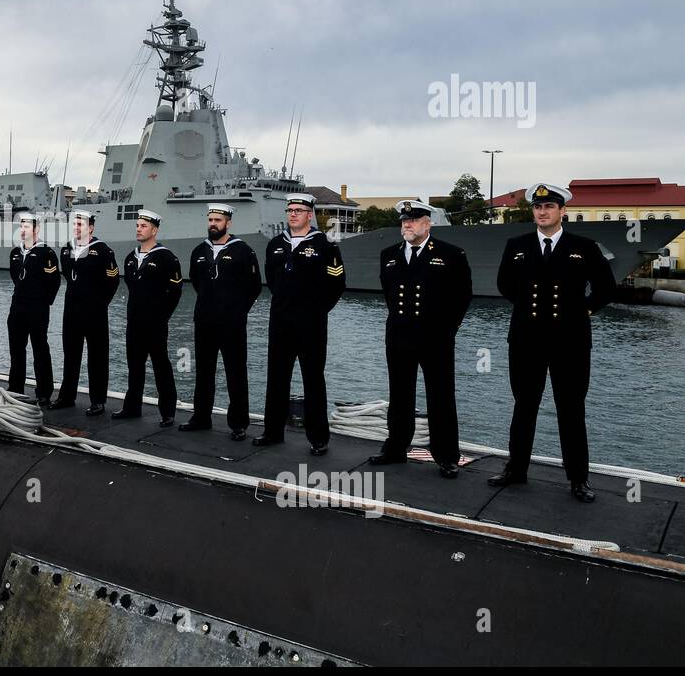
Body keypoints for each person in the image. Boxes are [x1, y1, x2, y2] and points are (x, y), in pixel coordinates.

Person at [489, 183, 616, 502]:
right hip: (526, 339)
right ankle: (516, 470)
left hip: (569, 341)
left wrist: (583, 310)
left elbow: (605, 288)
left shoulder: (584, 247)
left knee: (571, 410)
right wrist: (529, 309)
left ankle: (578, 479)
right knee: (524, 406)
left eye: (549, 207)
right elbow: (505, 284)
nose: (542, 212)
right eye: (537, 207)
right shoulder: (516, 245)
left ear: (562, 211)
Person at [367, 200, 473, 478]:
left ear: (428, 223)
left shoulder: (450, 254)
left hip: (435, 338)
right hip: (399, 336)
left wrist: (448, 329)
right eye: (404, 221)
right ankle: (395, 449)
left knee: (441, 397)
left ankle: (447, 455)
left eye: (413, 220)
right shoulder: (389, 254)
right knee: (400, 395)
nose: (407, 225)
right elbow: (388, 292)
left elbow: (462, 296)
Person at [258, 193, 345, 455]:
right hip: (280, 322)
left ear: (310, 214)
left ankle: (318, 438)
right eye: (290, 210)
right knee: (276, 379)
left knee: (313, 380)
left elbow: (336, 284)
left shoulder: (326, 245)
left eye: (298, 210)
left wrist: (315, 311)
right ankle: (272, 432)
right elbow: (272, 280)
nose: (292, 214)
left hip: (311, 325)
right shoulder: (275, 244)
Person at [180, 203, 263, 440]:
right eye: (210, 220)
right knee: (204, 372)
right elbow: (196, 281)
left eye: (218, 220)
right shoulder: (199, 251)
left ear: (228, 222)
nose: (213, 224)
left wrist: (237, 310)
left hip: (232, 323)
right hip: (204, 320)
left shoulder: (243, 251)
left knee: (235, 372)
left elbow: (254, 287)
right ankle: (201, 417)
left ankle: (238, 424)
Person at [113, 210, 183, 427]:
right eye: (137, 225)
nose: (138, 229)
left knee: (161, 366)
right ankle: (132, 407)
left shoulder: (166, 258)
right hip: (134, 322)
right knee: (134, 366)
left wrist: (162, 316)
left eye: (143, 226)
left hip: (155, 324)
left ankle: (168, 412)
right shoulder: (130, 258)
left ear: (154, 230)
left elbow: (175, 291)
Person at [51, 210, 119, 415]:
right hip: (72, 311)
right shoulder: (66, 250)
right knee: (70, 355)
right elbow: (68, 276)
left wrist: (99, 304)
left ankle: (98, 401)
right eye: (75, 224)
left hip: (95, 313)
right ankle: (66, 396)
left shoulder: (103, 251)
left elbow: (113, 281)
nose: (77, 228)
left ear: (91, 228)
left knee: (97, 357)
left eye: (81, 225)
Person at [6, 211, 60, 407]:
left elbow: (53, 282)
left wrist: (42, 302)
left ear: (36, 229)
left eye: (27, 227)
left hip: (37, 308)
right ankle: (15, 389)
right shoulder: (15, 253)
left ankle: (44, 392)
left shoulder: (47, 253)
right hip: (17, 307)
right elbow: (16, 278)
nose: (22, 230)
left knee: (40, 350)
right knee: (16, 350)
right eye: (21, 226)